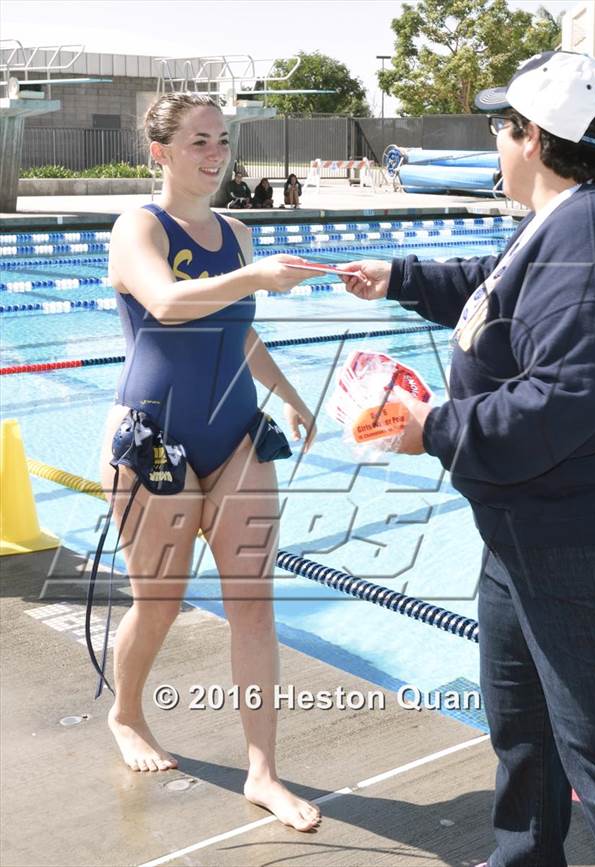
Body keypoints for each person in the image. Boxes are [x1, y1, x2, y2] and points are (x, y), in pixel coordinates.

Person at [340, 52, 595, 866]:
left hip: (576, 549)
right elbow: (495, 293)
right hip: (523, 539)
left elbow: (575, 399)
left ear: (532, 137)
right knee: (525, 739)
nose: (494, 146)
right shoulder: (563, 217)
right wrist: (399, 276)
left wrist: (427, 426)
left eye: (498, 130)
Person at [101, 91, 321, 832]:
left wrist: (289, 393)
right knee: (159, 601)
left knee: (253, 603)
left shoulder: (237, 231)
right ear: (161, 152)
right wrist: (255, 280)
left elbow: (239, 330)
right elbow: (166, 303)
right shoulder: (138, 227)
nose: (215, 153)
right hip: (154, 443)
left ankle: (263, 771)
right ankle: (127, 713)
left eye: (221, 139)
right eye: (199, 141)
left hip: (234, 435)